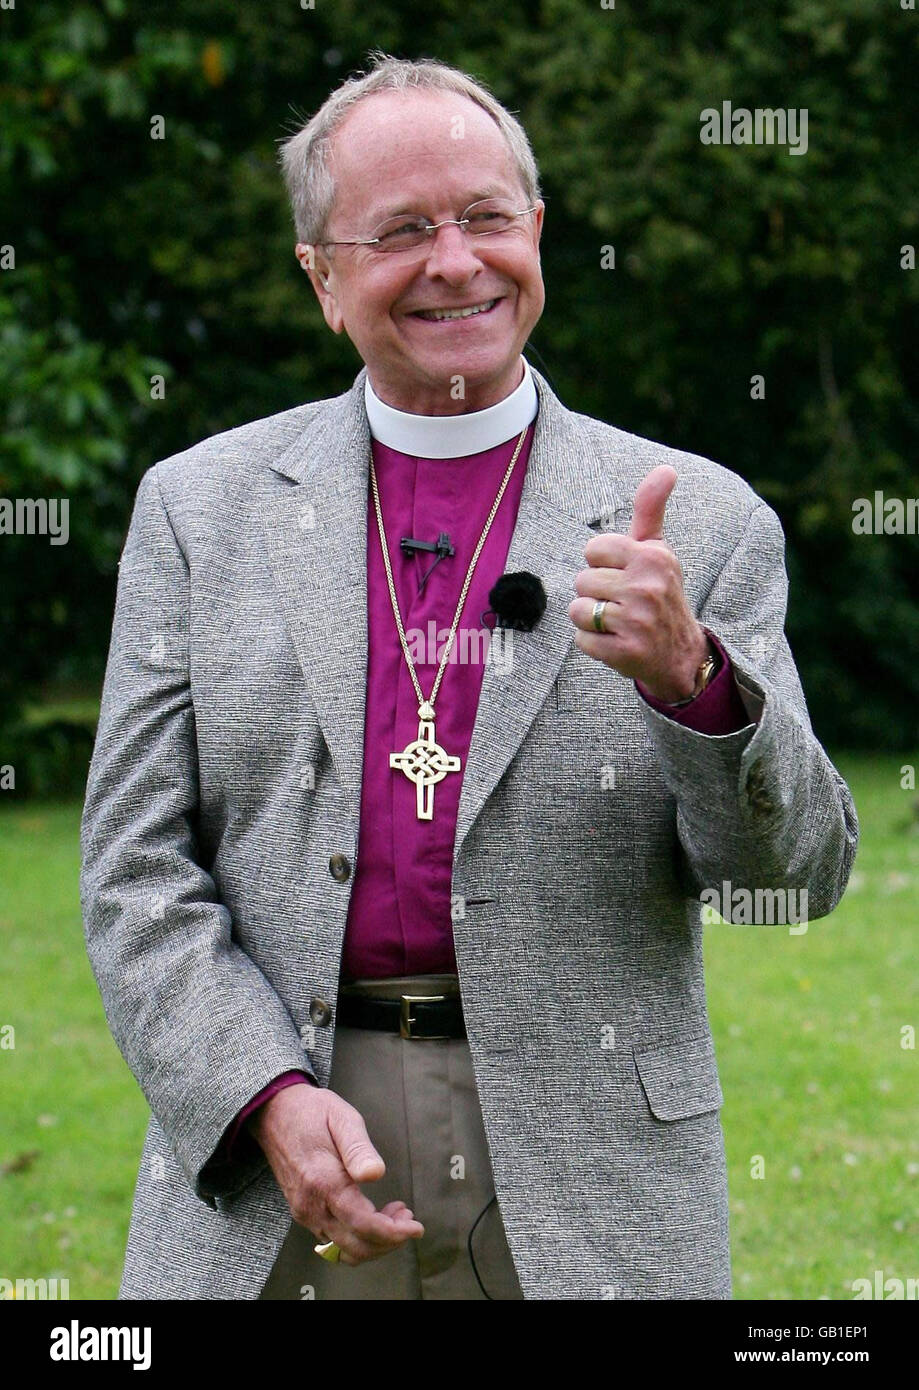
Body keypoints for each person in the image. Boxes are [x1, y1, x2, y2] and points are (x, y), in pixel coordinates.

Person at [80, 52, 859, 1301]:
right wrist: (259, 1094)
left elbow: (791, 880)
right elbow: (132, 870)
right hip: (281, 1149)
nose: (456, 262)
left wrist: (694, 683)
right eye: (401, 231)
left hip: (590, 1172)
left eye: (487, 218)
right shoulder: (197, 512)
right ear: (321, 277)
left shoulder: (702, 523)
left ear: (536, 231)